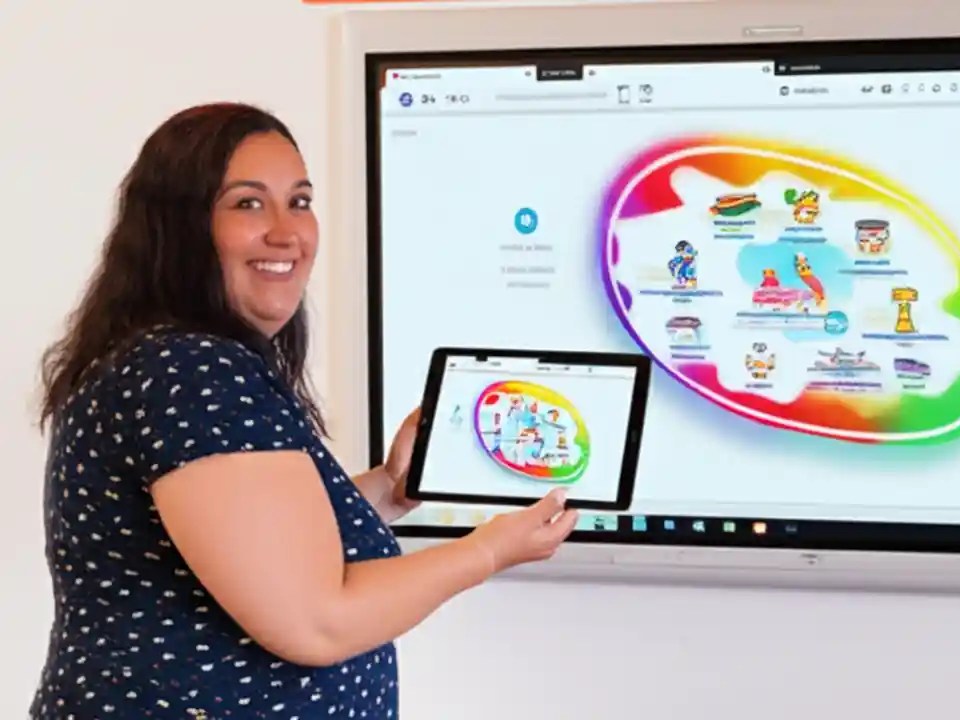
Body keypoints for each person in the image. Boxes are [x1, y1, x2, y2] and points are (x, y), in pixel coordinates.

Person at [29, 102, 578, 719]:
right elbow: (316, 621)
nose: (286, 232)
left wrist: (389, 490)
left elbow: (254, 542)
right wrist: (488, 551)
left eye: (299, 201)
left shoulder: (176, 359)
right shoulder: (189, 370)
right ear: (182, 226)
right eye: (247, 203)